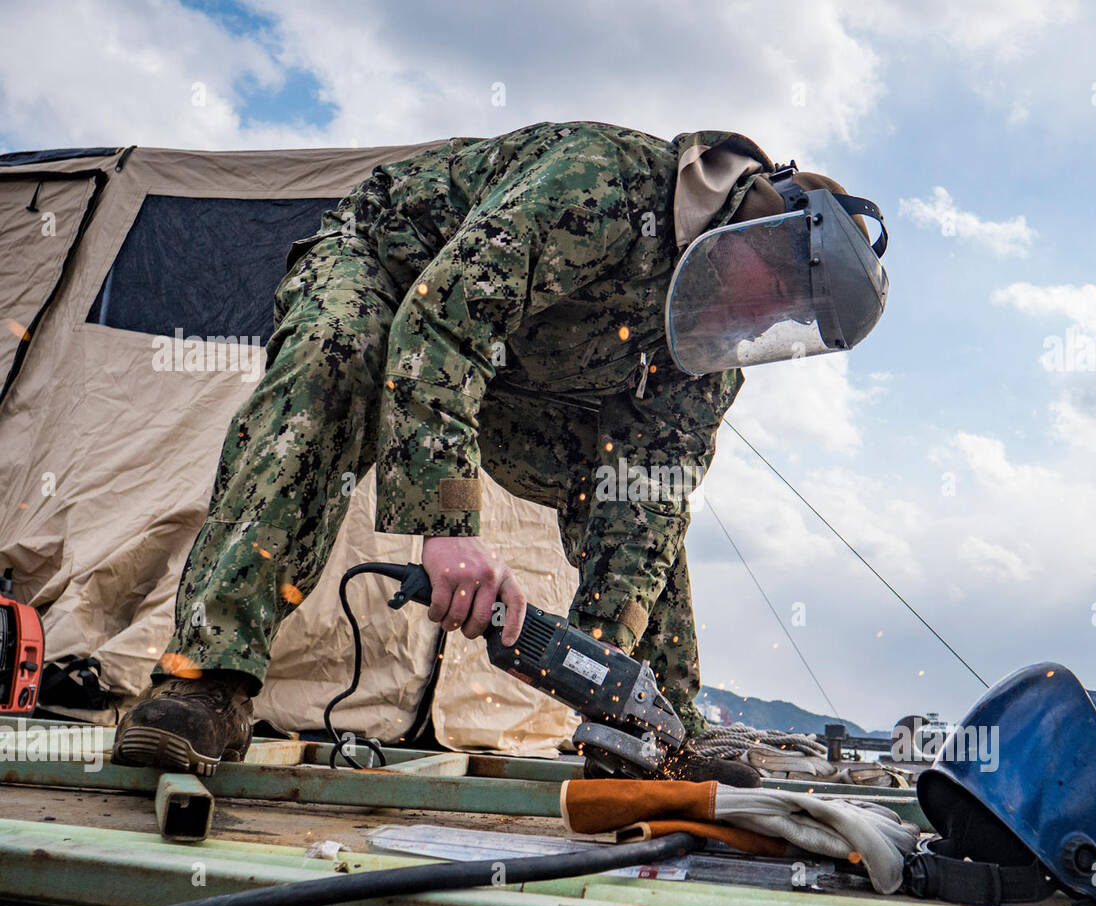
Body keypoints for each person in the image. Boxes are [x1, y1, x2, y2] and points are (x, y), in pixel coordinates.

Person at [110, 120, 887, 781]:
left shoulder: (707, 348)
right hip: (394, 269)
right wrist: (445, 531)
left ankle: (660, 730)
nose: (762, 317)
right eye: (776, 287)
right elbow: (444, 321)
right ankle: (204, 681)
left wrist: (603, 676)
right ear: (758, 221)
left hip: (520, 365)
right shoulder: (604, 186)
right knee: (337, 359)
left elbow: (646, 509)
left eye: (785, 315)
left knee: (636, 489)